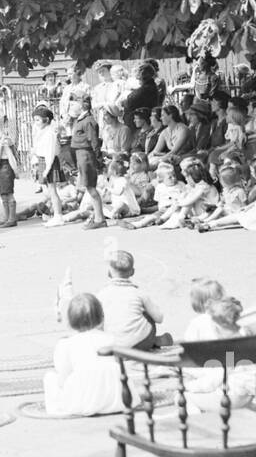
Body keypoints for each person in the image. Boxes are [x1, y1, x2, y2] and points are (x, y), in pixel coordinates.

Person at [44, 293, 121, 417]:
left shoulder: (66, 344)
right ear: (101, 318)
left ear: (70, 321)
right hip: (115, 398)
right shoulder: (110, 339)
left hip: (83, 401)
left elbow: (63, 377)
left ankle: (63, 405)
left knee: (50, 378)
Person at [97, 250, 173, 351]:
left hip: (113, 343)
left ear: (109, 272)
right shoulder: (139, 293)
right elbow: (159, 318)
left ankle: (135, 341)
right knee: (145, 314)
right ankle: (151, 341)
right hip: (140, 343)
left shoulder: (101, 295)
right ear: (132, 272)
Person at [68, 93, 106, 230]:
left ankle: (99, 218)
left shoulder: (88, 120)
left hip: (86, 156)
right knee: (89, 188)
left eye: (74, 103)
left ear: (82, 105)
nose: (71, 106)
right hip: (81, 155)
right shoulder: (80, 120)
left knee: (91, 187)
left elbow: (94, 142)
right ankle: (98, 217)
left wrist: (98, 158)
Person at [31, 106, 67, 228]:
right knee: (49, 191)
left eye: (37, 120)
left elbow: (50, 153)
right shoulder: (42, 132)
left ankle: (58, 215)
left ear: (46, 120)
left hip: (49, 162)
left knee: (53, 190)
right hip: (43, 161)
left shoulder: (50, 133)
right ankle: (55, 214)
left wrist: (47, 169)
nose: (35, 123)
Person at [0, 128, 20, 228]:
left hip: (6, 165)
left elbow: (11, 156)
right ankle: (6, 217)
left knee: (8, 193)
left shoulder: (6, 140)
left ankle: (12, 219)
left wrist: (15, 171)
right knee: (2, 193)